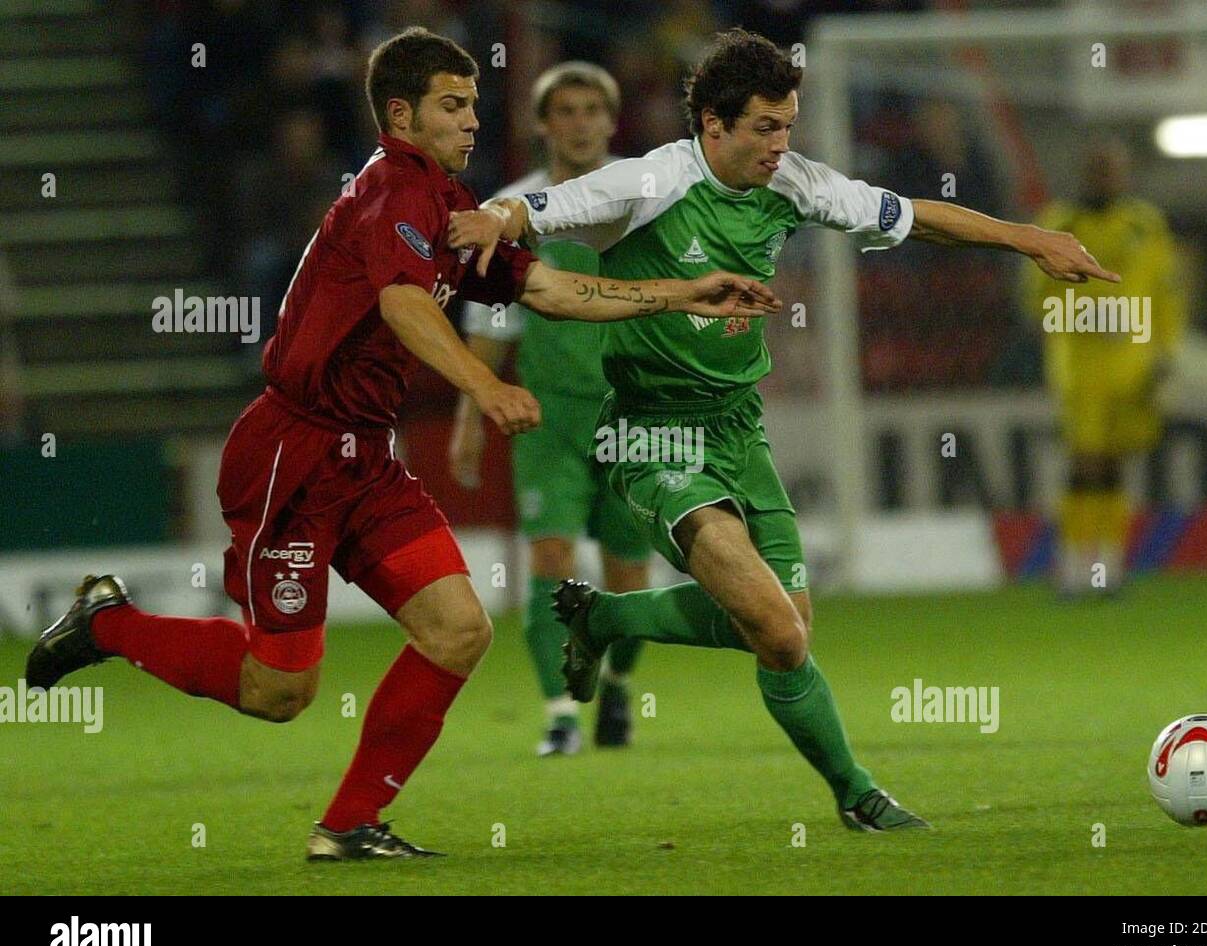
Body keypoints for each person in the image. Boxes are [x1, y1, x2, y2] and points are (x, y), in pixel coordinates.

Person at [24, 27, 778, 861]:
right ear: (400, 114)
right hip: (296, 456)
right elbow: (403, 305)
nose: (469, 123)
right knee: (278, 690)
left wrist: (681, 293)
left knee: (458, 628)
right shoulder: (391, 194)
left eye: (474, 106)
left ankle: (347, 826)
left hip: (365, 461)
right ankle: (110, 623)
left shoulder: (451, 207)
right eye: (452, 107)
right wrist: (483, 386)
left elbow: (554, 288)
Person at [449, 27, 1116, 832]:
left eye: (788, 125)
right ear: (713, 126)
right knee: (771, 625)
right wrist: (494, 215)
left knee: (787, 633)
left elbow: (913, 217)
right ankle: (859, 796)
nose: (780, 144)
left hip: (739, 430)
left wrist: (1030, 239)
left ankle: (606, 616)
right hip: (653, 437)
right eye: (765, 127)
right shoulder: (650, 180)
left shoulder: (796, 183)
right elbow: (538, 208)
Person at [450, 62, 651, 756]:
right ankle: (561, 713)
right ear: (543, 124)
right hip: (547, 419)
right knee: (552, 560)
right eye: (564, 110)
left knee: (628, 572)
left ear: (611, 119)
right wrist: (470, 417)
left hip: (636, 417)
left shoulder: (647, 196)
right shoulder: (511, 211)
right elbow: (492, 326)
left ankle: (619, 687)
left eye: (591, 109)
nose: (579, 121)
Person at [1023, 138, 1186, 596]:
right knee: (1083, 462)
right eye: (1097, 168)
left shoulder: (1145, 224)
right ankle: (1076, 566)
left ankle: (1109, 566)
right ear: (1084, 172)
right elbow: (1037, 298)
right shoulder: (1059, 224)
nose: (1106, 177)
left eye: (1113, 168)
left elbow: (1165, 291)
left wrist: (1166, 352)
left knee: (1115, 464)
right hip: (1079, 365)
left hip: (1132, 367)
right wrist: (1090, 318)